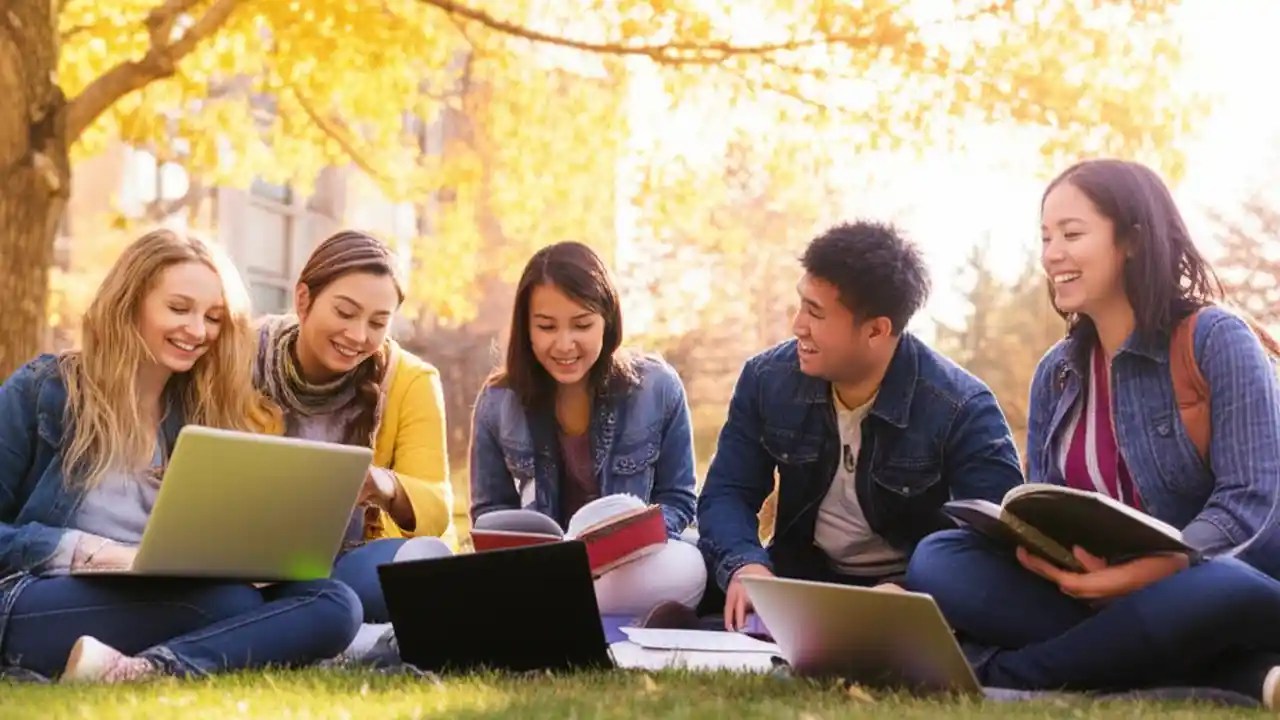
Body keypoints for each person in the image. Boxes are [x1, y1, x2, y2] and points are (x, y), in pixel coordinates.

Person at [905, 158, 1280, 706]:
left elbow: (1249, 508)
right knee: (939, 557)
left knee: (1221, 590)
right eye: (1046, 236)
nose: (1052, 253)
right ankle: (1238, 675)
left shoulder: (1216, 339)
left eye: (1072, 234)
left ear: (1130, 240)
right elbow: (1048, 504)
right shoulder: (1055, 374)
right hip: (1095, 592)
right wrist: (1046, 556)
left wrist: (1148, 573)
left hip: (1212, 581)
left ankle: (1006, 675)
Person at [0, 229, 360, 682]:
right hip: (34, 595)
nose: (197, 331)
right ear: (129, 302)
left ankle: (146, 669)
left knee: (334, 602)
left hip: (167, 592)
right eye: (178, 308)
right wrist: (97, 553)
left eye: (213, 317)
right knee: (227, 605)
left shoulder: (200, 408)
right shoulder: (44, 390)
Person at [696, 220, 1024, 631]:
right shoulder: (766, 380)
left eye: (816, 313)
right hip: (801, 574)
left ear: (876, 330)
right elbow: (727, 492)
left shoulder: (961, 407)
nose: (798, 325)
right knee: (689, 562)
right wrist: (747, 566)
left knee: (958, 581)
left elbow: (995, 536)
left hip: (911, 587)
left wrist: (911, 593)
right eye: (801, 304)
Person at [469, 241, 705, 615]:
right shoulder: (498, 400)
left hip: (631, 567)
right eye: (546, 326)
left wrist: (633, 538)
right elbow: (490, 511)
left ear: (607, 320)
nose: (564, 345)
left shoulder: (657, 387)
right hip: (541, 569)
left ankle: (551, 609)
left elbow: (678, 500)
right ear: (526, 327)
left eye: (581, 325)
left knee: (688, 567)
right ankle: (566, 604)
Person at [252, 229, 453, 659]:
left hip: (351, 562)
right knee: (234, 600)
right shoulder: (239, 357)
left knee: (418, 571)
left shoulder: (412, 380)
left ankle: (312, 625)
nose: (358, 335)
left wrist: (386, 486)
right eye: (345, 312)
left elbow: (436, 507)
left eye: (378, 323)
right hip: (246, 563)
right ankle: (338, 636)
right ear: (303, 299)